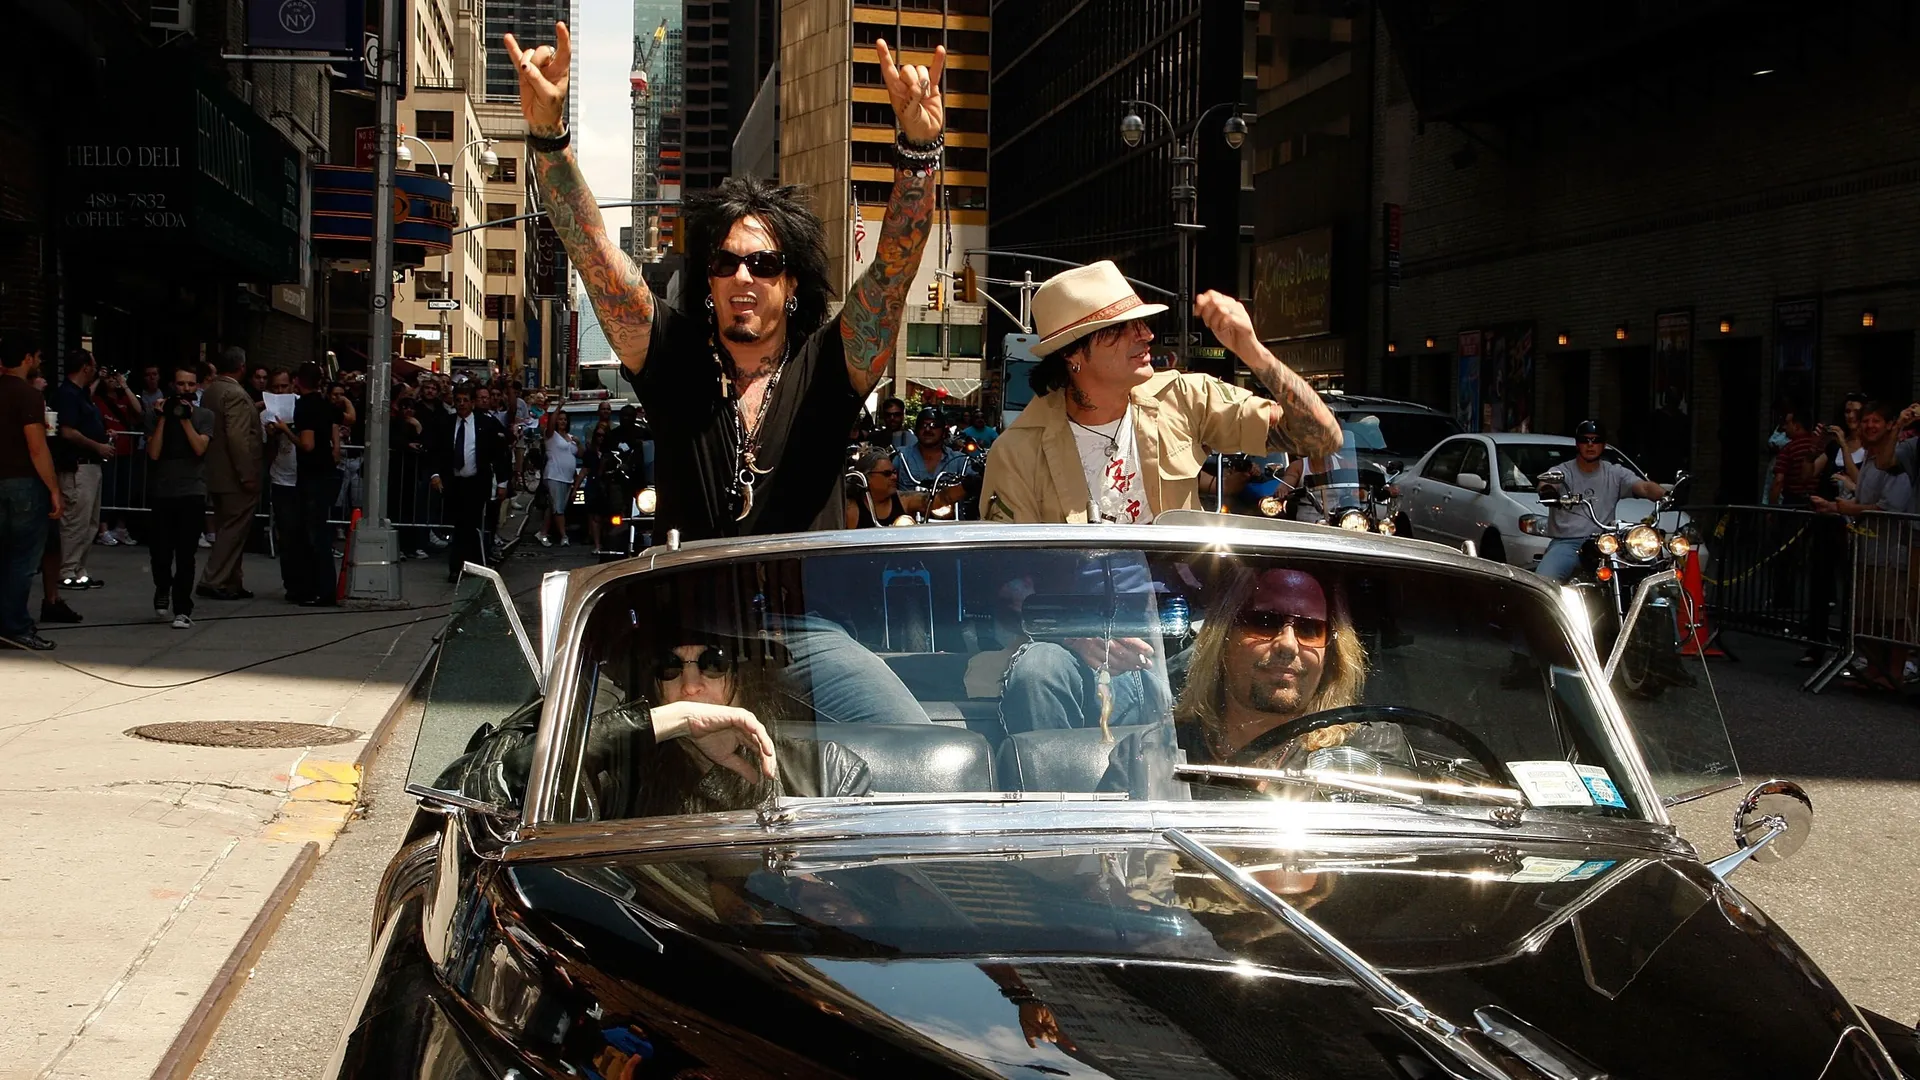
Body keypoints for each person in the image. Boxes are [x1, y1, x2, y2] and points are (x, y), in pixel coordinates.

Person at [505, 24, 942, 540]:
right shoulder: (671, 357)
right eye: (725, 263)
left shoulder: (832, 364)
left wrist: (917, 153)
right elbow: (593, 251)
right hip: (687, 616)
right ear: (707, 281)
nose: (742, 276)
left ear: (792, 282)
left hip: (808, 619)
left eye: (764, 264)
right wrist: (550, 139)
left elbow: (893, 271)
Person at [979, 263, 1341, 523]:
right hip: (1076, 623)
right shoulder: (1017, 452)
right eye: (1122, 328)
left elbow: (1322, 438)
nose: (1146, 335)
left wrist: (1253, 351)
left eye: (1143, 322)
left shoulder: (1183, 397)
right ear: (1073, 353)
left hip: (1185, 613)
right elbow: (1010, 579)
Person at [1811, 400, 1913, 691]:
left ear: (1891, 425)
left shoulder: (1900, 459)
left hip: (1893, 551)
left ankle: (1894, 672)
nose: (1869, 426)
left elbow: (1889, 507)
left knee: (1893, 614)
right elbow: (1859, 498)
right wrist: (1833, 507)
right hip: (1866, 550)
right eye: (1866, 420)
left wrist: (1849, 510)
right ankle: (1872, 667)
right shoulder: (1868, 458)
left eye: (1876, 421)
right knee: (1866, 613)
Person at [1532, 420, 1669, 583]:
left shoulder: (1614, 472)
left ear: (1603, 445)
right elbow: (1547, 483)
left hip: (1605, 544)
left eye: (1596, 440)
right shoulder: (1563, 471)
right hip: (1567, 543)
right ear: (1577, 444)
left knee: (1645, 574)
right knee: (1543, 581)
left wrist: (1665, 494)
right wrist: (1548, 491)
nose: (1590, 445)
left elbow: (1644, 487)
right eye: (1585, 440)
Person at [1, 334, 63, 650]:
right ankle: (14, 625)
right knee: (22, 559)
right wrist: (53, 488)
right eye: (37, 356)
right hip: (23, 483)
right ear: (26, 358)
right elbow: (37, 447)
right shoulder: (28, 396)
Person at [145, 365, 213, 628]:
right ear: (173, 385)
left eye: (191, 384)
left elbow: (199, 448)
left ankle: (183, 608)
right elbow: (153, 453)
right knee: (160, 552)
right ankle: (163, 586)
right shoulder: (155, 414)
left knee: (186, 553)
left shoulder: (205, 415)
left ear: (197, 386)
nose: (186, 389)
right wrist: (164, 417)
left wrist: (184, 418)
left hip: (192, 491)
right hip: (162, 491)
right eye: (181, 384)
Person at [197, 346, 263, 600]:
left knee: (229, 525)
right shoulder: (234, 394)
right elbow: (237, 437)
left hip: (216, 470)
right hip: (234, 473)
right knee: (233, 529)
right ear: (242, 367)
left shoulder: (212, 391)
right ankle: (213, 579)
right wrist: (247, 473)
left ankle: (231, 580)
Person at [429, 383, 512, 582]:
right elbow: (436, 451)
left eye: (466, 400)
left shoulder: (485, 423)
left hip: (476, 482)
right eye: (458, 401)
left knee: (471, 524)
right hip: (454, 481)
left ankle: (463, 566)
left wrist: (502, 482)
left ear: (472, 403)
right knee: (459, 524)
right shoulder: (447, 423)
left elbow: (500, 453)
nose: (462, 404)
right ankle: (464, 565)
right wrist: (435, 474)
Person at [48, 349, 114, 592]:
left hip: (90, 465)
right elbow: (66, 430)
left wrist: (101, 436)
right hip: (77, 466)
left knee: (89, 522)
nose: (95, 370)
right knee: (75, 521)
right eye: (93, 365)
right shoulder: (67, 395)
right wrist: (97, 445)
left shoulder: (81, 394)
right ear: (85, 367)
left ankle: (78, 569)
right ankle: (67, 570)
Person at [287, 363, 342, 605]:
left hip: (312, 474)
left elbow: (306, 444)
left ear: (298, 380)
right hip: (326, 471)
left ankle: (320, 588)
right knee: (318, 530)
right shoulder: (324, 404)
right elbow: (346, 417)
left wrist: (285, 431)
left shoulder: (305, 407)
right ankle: (320, 586)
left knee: (312, 532)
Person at [261, 369, 305, 600]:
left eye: (284, 387)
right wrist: (271, 436)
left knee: (305, 533)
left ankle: (307, 581)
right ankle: (291, 584)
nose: (280, 391)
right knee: (286, 534)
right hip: (281, 479)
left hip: (304, 478)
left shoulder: (302, 406)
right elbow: (266, 453)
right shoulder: (265, 414)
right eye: (275, 387)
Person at [845, 446, 963, 527]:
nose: (894, 477)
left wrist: (966, 486)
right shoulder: (851, 510)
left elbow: (938, 499)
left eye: (894, 472)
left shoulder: (904, 500)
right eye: (887, 474)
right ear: (867, 477)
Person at [91, 366, 141, 547]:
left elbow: (139, 411)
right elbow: (85, 398)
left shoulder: (124, 398)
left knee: (125, 490)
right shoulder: (98, 398)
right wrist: (98, 379)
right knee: (107, 489)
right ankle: (103, 530)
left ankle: (121, 528)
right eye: (109, 377)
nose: (112, 380)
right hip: (107, 449)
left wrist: (124, 386)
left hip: (126, 450)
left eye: (115, 376)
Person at [892, 409, 967, 492]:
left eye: (934, 425)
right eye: (922, 425)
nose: (927, 429)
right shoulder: (900, 456)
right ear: (916, 430)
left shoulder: (959, 460)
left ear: (944, 431)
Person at [539, 409, 580, 546]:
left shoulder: (570, 437)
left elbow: (581, 454)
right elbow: (549, 424)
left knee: (554, 507)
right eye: (560, 419)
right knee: (558, 508)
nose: (562, 421)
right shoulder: (551, 435)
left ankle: (543, 533)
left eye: (564, 419)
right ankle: (564, 536)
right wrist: (558, 407)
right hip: (554, 475)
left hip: (567, 478)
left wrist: (578, 443)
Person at [1770, 404, 1822, 507]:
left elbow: (1778, 480)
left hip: (1793, 504)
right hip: (1817, 503)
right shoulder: (1821, 447)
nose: (1784, 427)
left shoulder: (1788, 449)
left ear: (1797, 426)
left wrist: (1772, 508)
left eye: (1787, 423)